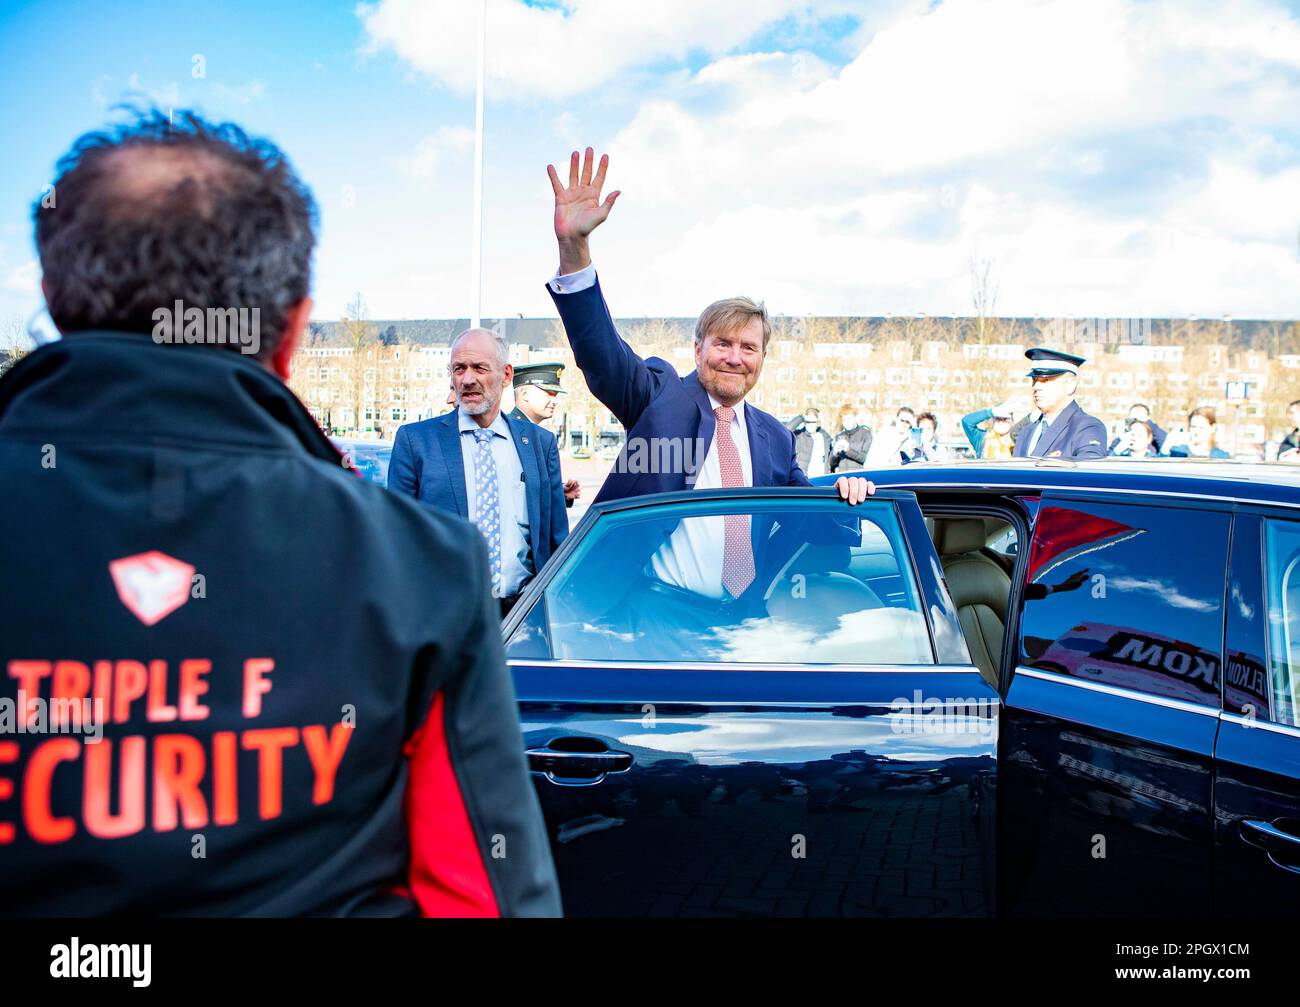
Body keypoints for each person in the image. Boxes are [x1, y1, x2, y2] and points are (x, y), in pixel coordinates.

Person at [0, 108, 559, 917]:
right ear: (294, 329)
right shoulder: (420, 566)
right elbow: (482, 894)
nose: (468, 378)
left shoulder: (436, 551)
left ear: (53, 297)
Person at [542, 147, 873, 508]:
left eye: (748, 348)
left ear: (762, 358)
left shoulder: (777, 439)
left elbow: (809, 518)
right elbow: (602, 355)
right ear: (698, 349)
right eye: (723, 343)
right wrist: (573, 248)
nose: (735, 358)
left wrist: (847, 494)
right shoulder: (657, 400)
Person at [389, 328, 568, 616]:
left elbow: (555, 538)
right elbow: (396, 537)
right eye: (459, 369)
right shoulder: (416, 441)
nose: (468, 379)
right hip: (444, 617)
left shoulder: (539, 444)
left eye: (480, 368)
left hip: (523, 615)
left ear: (506, 375)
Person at [1012, 348, 1107, 460]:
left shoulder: (1087, 427)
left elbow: (1088, 468)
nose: (1036, 386)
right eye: (1035, 380)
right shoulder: (1026, 432)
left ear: (1070, 385)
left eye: (1046, 380)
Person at [510, 361, 581, 507]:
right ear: (525, 394)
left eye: (556, 395)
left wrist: (559, 493)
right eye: (549, 393)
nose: (555, 401)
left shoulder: (537, 435)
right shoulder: (507, 431)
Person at [1166, 405, 1231, 459]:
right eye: (1193, 427)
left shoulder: (1222, 457)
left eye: (1201, 427)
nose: (1196, 431)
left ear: (1213, 428)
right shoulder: (1178, 452)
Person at [789, 407, 833, 478]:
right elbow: (785, 430)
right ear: (804, 422)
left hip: (821, 477)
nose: (810, 425)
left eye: (813, 422)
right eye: (808, 422)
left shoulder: (825, 437)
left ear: (817, 422)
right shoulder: (799, 435)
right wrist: (801, 417)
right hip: (804, 478)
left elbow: (830, 459)